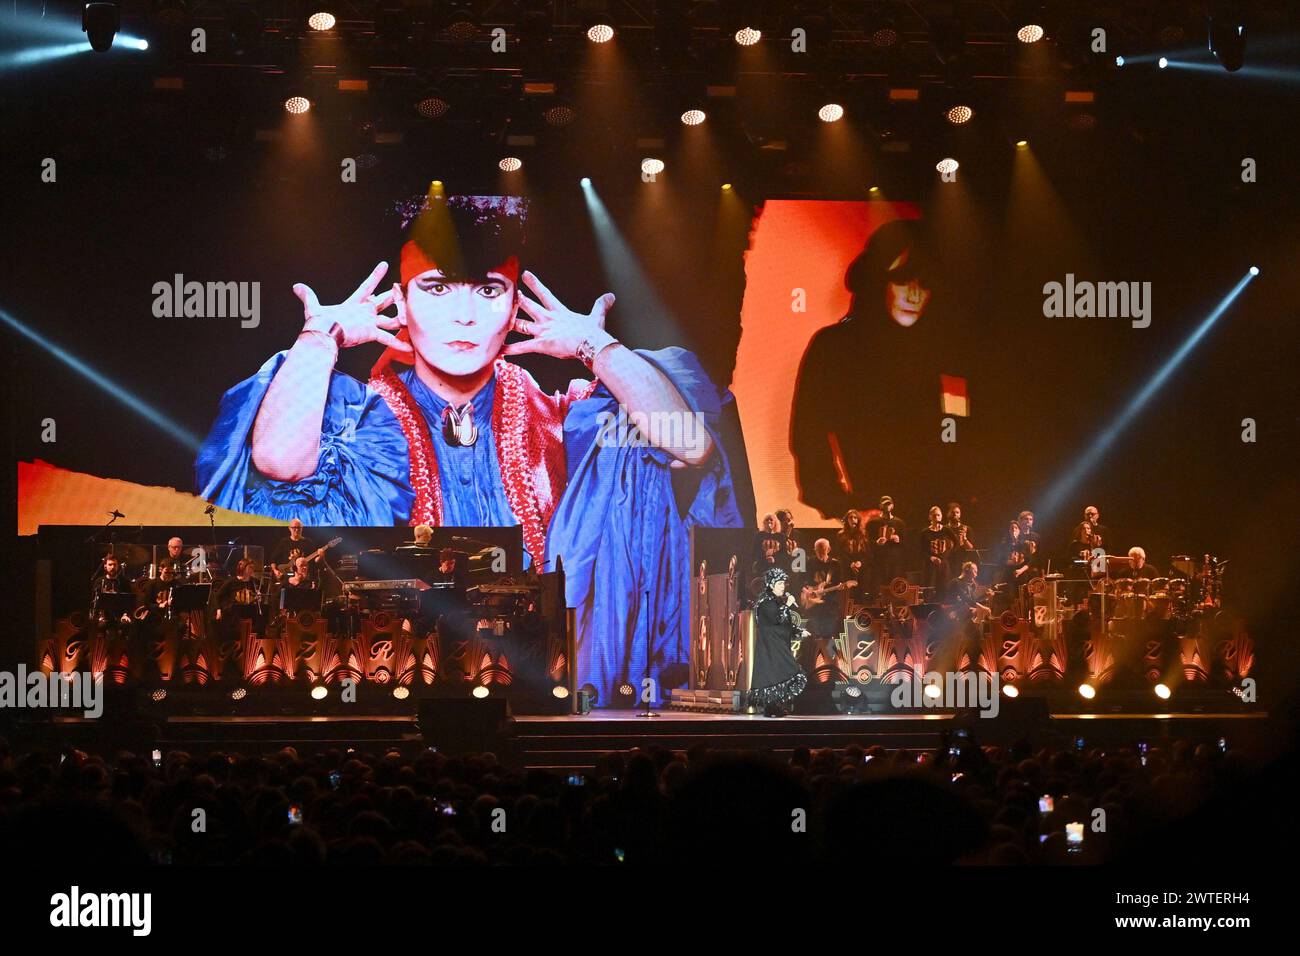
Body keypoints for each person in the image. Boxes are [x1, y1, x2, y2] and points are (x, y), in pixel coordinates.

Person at [195, 194, 743, 704]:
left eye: (486, 290)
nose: (464, 316)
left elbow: (691, 443)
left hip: (548, 684)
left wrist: (594, 346)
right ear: (402, 304)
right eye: (436, 289)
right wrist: (321, 340)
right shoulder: (358, 423)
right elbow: (278, 461)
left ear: (512, 308)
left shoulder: (565, 421)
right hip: (400, 677)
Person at [791, 218, 956, 518]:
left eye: (925, 283)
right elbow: (808, 438)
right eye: (903, 280)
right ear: (878, 280)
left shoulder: (943, 350)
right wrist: (847, 508)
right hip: (878, 522)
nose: (915, 295)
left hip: (951, 522)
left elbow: (965, 433)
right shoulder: (835, 347)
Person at [747, 568, 809, 718]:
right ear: (771, 584)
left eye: (783, 584)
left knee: (780, 675)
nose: (783, 586)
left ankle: (775, 707)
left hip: (779, 645)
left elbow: (785, 623)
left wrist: (799, 631)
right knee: (780, 674)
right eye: (780, 583)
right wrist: (787, 605)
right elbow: (776, 619)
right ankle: (771, 707)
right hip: (770, 647)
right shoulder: (765, 603)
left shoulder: (776, 602)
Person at [866, 495, 906, 591]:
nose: (887, 506)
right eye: (884, 504)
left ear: (892, 506)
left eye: (889, 504)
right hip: (879, 561)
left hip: (895, 561)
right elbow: (867, 542)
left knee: (894, 587)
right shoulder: (872, 523)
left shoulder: (899, 523)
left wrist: (898, 539)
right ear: (880, 506)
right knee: (878, 587)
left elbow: (906, 543)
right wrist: (876, 542)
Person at [918, 505, 956, 596]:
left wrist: (946, 554)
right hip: (930, 565)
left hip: (943, 564)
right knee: (929, 589)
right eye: (934, 515)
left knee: (944, 588)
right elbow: (921, 551)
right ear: (930, 516)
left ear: (941, 516)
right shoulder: (925, 532)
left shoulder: (946, 530)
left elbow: (956, 543)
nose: (936, 517)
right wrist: (931, 558)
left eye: (938, 515)